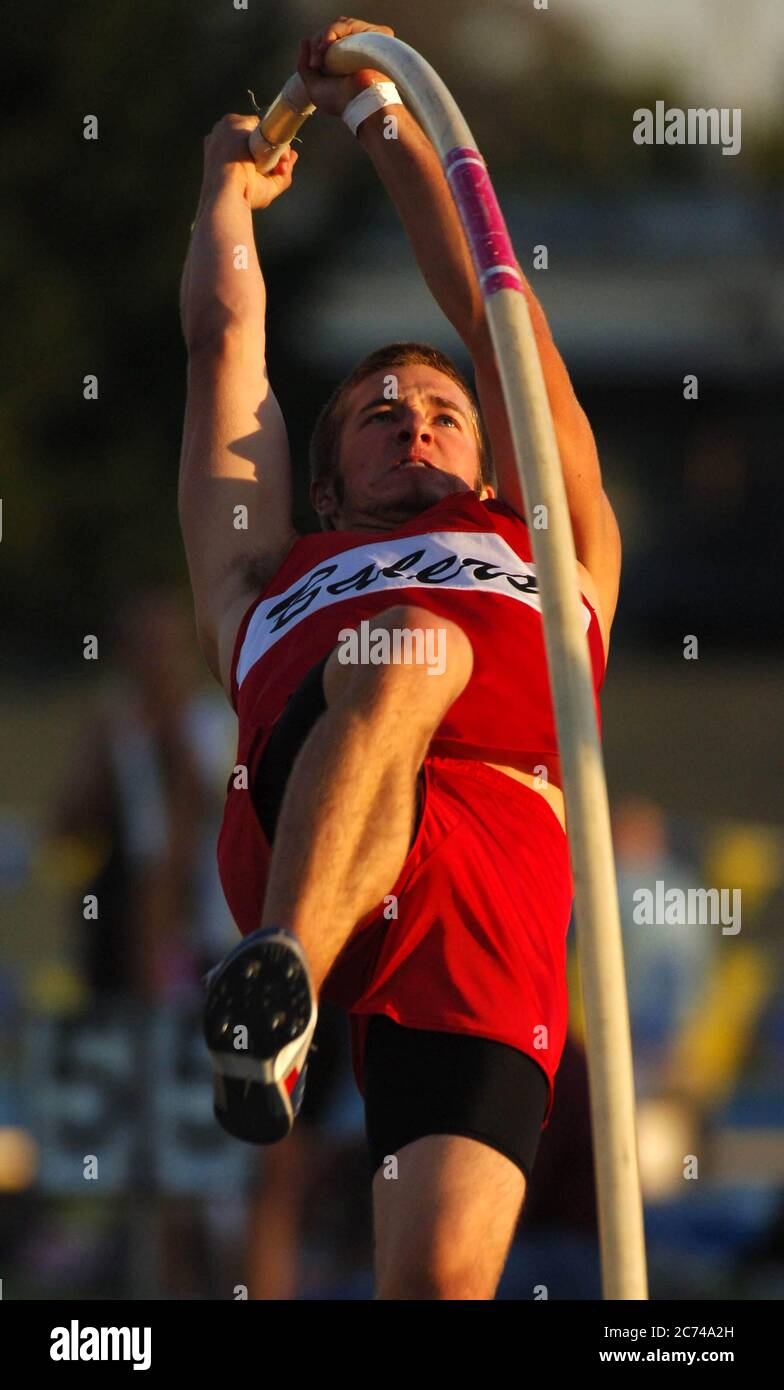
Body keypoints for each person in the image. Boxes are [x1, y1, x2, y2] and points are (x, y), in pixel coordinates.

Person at [178, 16, 621, 1300]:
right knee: (411, 643)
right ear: (324, 476)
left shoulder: (549, 538)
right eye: (378, 414)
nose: (411, 422)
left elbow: (496, 319)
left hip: (498, 876)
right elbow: (226, 350)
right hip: (311, 808)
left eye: (440, 413)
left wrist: (384, 120)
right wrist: (228, 196)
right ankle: (280, 989)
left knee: (436, 1278)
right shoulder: (269, 577)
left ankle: (281, 1005)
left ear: (487, 459)